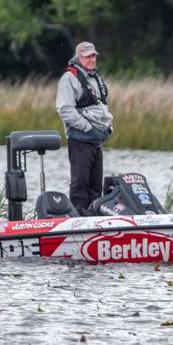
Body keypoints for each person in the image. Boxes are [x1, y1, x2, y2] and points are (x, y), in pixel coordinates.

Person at [55, 41, 114, 215]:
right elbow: (64, 109)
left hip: (97, 139)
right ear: (78, 57)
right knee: (80, 182)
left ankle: (94, 215)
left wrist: (108, 127)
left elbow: (102, 107)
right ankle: (78, 214)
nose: (91, 59)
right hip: (81, 139)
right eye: (87, 56)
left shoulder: (95, 78)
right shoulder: (69, 78)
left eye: (93, 55)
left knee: (96, 184)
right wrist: (88, 128)